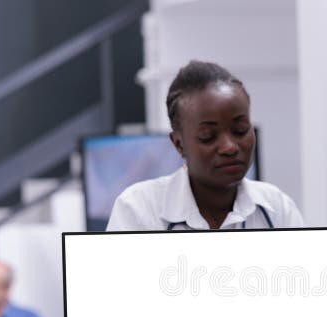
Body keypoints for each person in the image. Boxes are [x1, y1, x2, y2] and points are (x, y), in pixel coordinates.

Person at [107, 60, 304, 231]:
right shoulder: (139, 209)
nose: (229, 147)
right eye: (208, 136)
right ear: (178, 144)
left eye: (240, 130)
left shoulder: (278, 209)